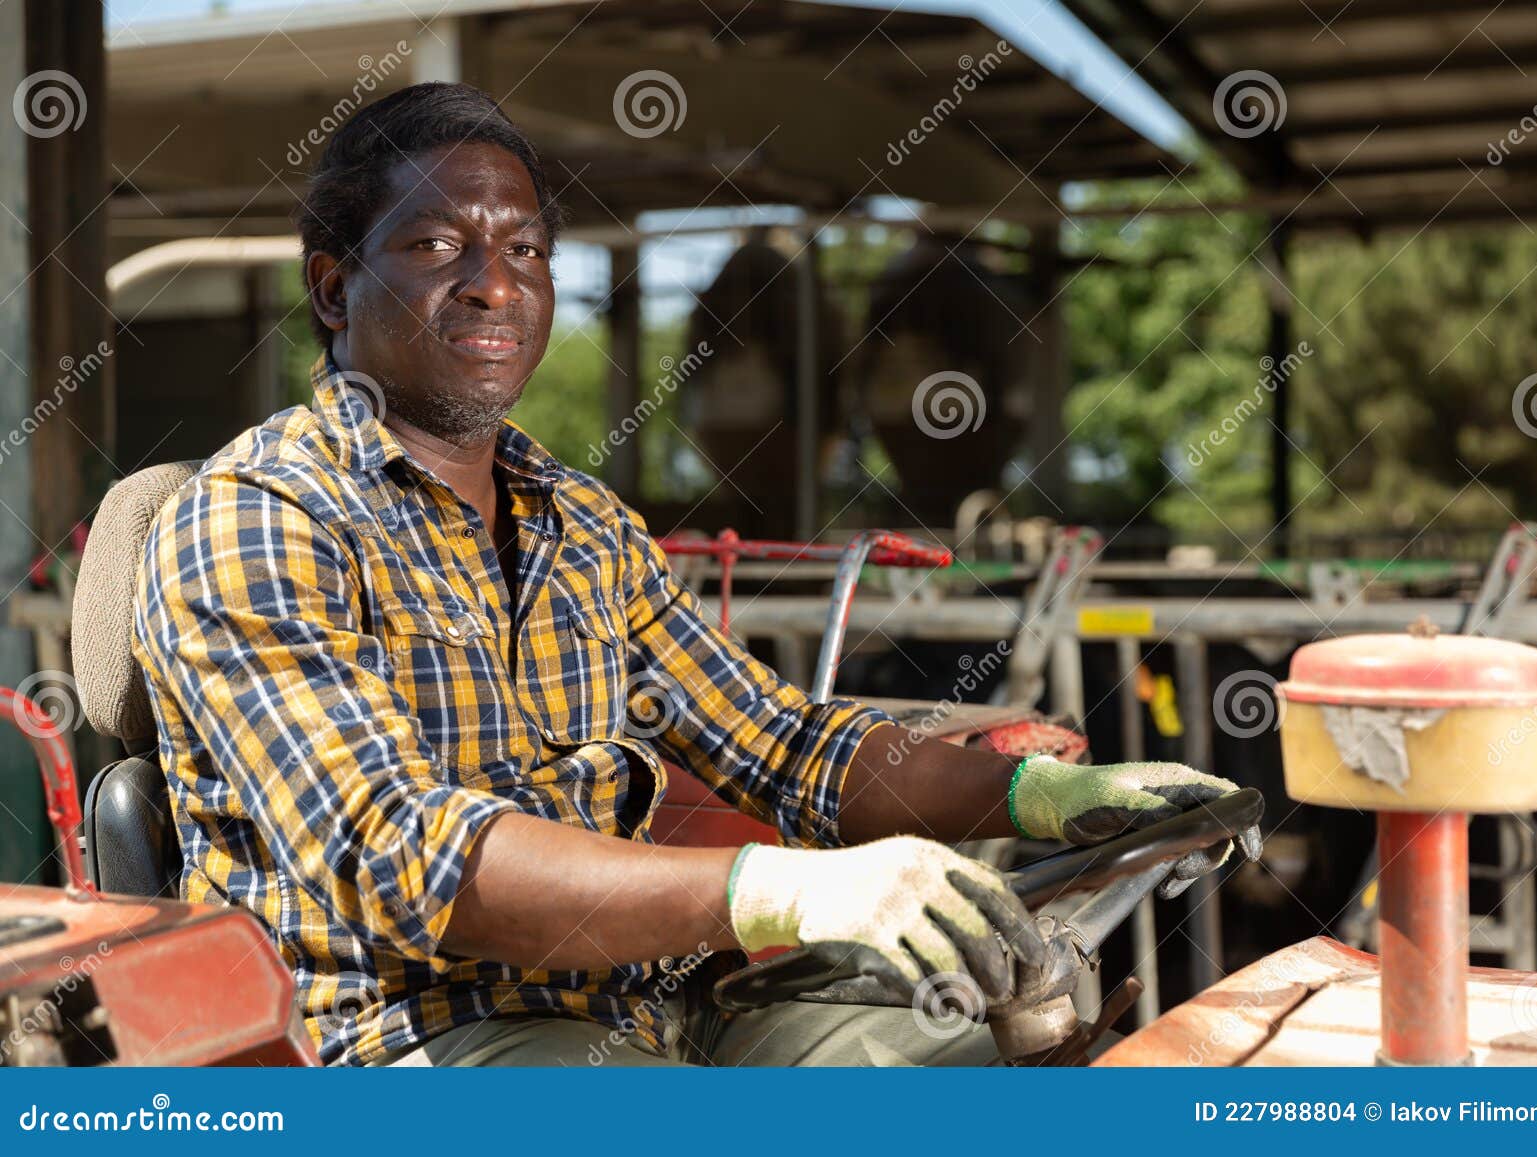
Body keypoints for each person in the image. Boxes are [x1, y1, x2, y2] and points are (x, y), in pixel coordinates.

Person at [132, 82, 1259, 1068]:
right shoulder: (258, 520)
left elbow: (785, 745)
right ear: (333, 288)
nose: (494, 283)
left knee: (1001, 1035)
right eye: (436, 246)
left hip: (651, 1001)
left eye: (525, 249)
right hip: (402, 1037)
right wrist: (778, 889)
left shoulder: (583, 525)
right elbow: (416, 860)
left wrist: (1039, 797)